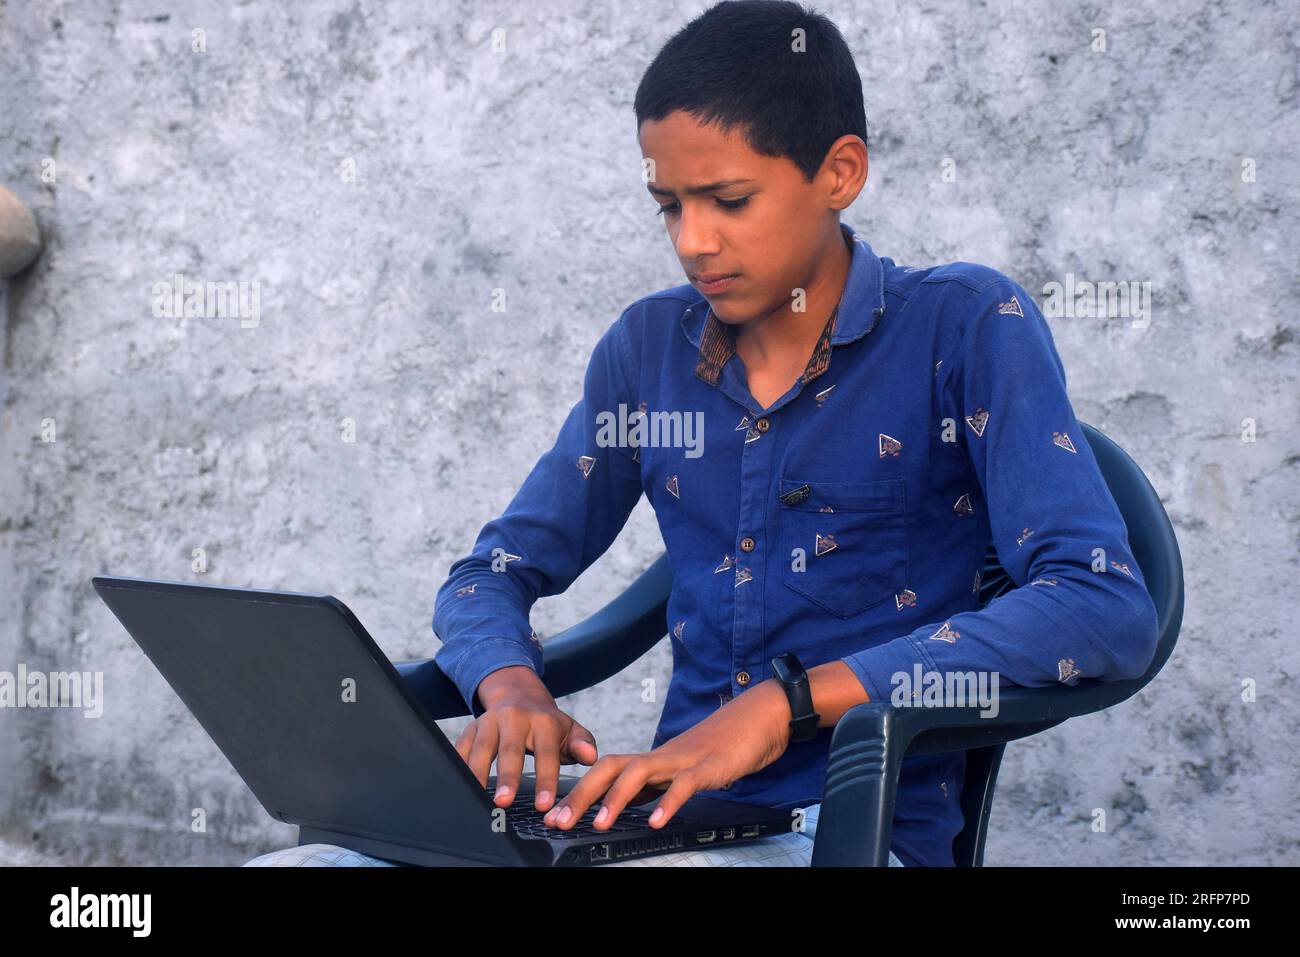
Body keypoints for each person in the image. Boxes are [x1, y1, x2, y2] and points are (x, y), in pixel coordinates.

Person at [244, 0, 1158, 869]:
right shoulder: (650, 351)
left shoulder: (964, 327)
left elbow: (1102, 606)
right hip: (655, 824)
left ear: (839, 172)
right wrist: (509, 683)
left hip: (844, 830)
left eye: (727, 200)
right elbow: (491, 572)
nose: (693, 241)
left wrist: (787, 704)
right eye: (670, 206)